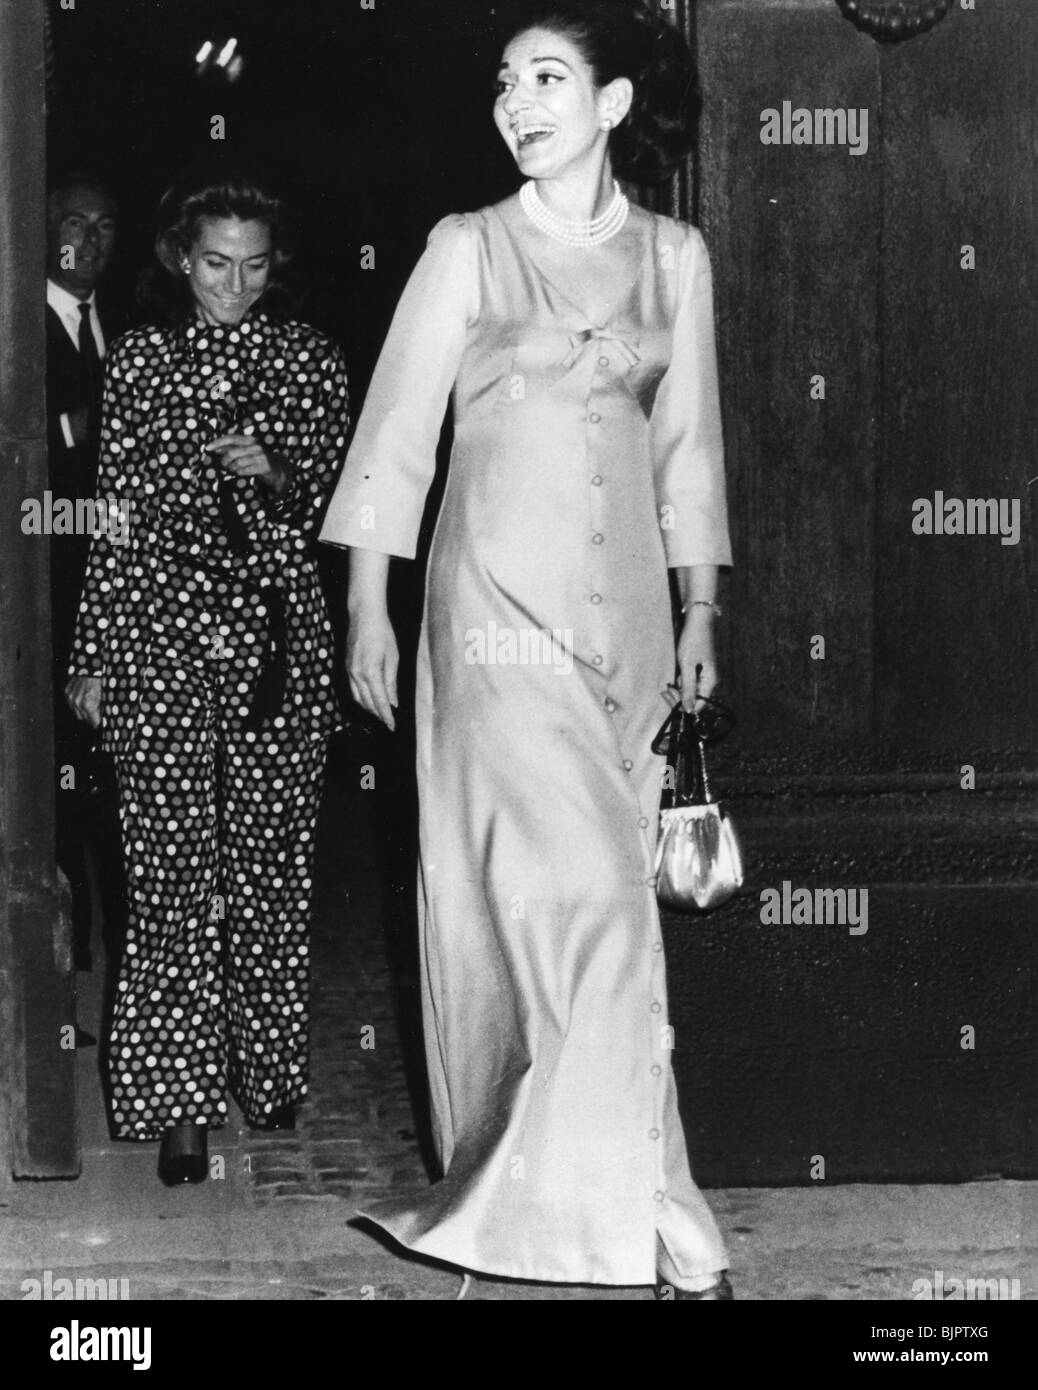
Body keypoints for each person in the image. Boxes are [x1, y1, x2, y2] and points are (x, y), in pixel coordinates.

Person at [319, 0, 734, 1297]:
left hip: (632, 635)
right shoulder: (466, 250)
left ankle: (627, 1208)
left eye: (547, 78)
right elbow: (394, 437)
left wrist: (702, 607)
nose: (516, 103)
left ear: (609, 105)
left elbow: (689, 451)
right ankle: (674, 1227)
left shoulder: (676, 259)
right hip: (493, 627)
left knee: (616, 930)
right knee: (595, 924)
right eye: (505, 82)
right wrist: (365, 609)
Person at [65, 169, 348, 1185]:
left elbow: (344, 508)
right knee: (172, 868)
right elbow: (113, 516)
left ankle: (266, 1072)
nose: (234, 284)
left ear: (278, 266)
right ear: (182, 260)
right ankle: (178, 1102)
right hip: (163, 634)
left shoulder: (310, 362)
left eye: (255, 265)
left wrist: (279, 476)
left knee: (269, 861)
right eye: (215, 264)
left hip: (277, 639)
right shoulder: (141, 361)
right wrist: (94, 654)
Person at [46, 174, 127, 993]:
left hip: (114, 594)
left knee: (104, 785)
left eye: (105, 226)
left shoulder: (120, 327)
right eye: (74, 222)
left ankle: (108, 962)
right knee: (58, 786)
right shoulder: (20, 321)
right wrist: (84, 421)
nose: (90, 239)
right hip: (48, 595)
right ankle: (63, 978)